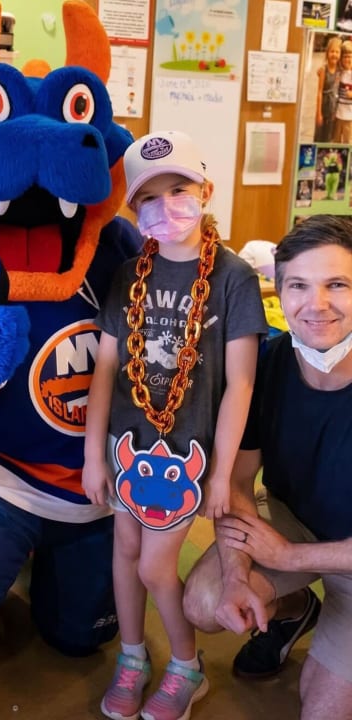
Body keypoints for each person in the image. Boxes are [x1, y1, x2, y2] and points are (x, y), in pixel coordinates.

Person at [82, 131, 267, 720]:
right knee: (125, 548)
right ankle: (133, 657)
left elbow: (240, 383)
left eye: (179, 189)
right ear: (135, 212)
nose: (167, 207)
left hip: (187, 456)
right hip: (126, 447)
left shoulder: (233, 278)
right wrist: (93, 454)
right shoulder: (128, 275)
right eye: (149, 198)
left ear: (206, 192)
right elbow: (107, 367)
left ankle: (186, 666)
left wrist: (220, 475)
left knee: (157, 564)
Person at [183, 214, 352, 719]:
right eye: (298, 285)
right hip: (295, 523)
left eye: (337, 284)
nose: (316, 304)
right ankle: (298, 610)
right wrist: (238, 573)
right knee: (206, 601)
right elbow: (235, 481)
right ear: (277, 291)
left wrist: (288, 557)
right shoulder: (265, 366)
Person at [315, 35, 341, 143]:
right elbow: (320, 92)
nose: (334, 54)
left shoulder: (339, 70)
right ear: (327, 53)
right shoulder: (323, 70)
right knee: (320, 135)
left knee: (329, 136)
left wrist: (335, 112)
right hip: (323, 107)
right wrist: (318, 113)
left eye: (337, 52)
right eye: (332, 51)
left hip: (332, 109)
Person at [337, 42, 352, 144]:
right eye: (345, 57)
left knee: (347, 142)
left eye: (350, 57)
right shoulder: (339, 73)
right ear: (341, 59)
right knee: (335, 141)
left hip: (349, 116)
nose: (347, 60)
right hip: (337, 115)